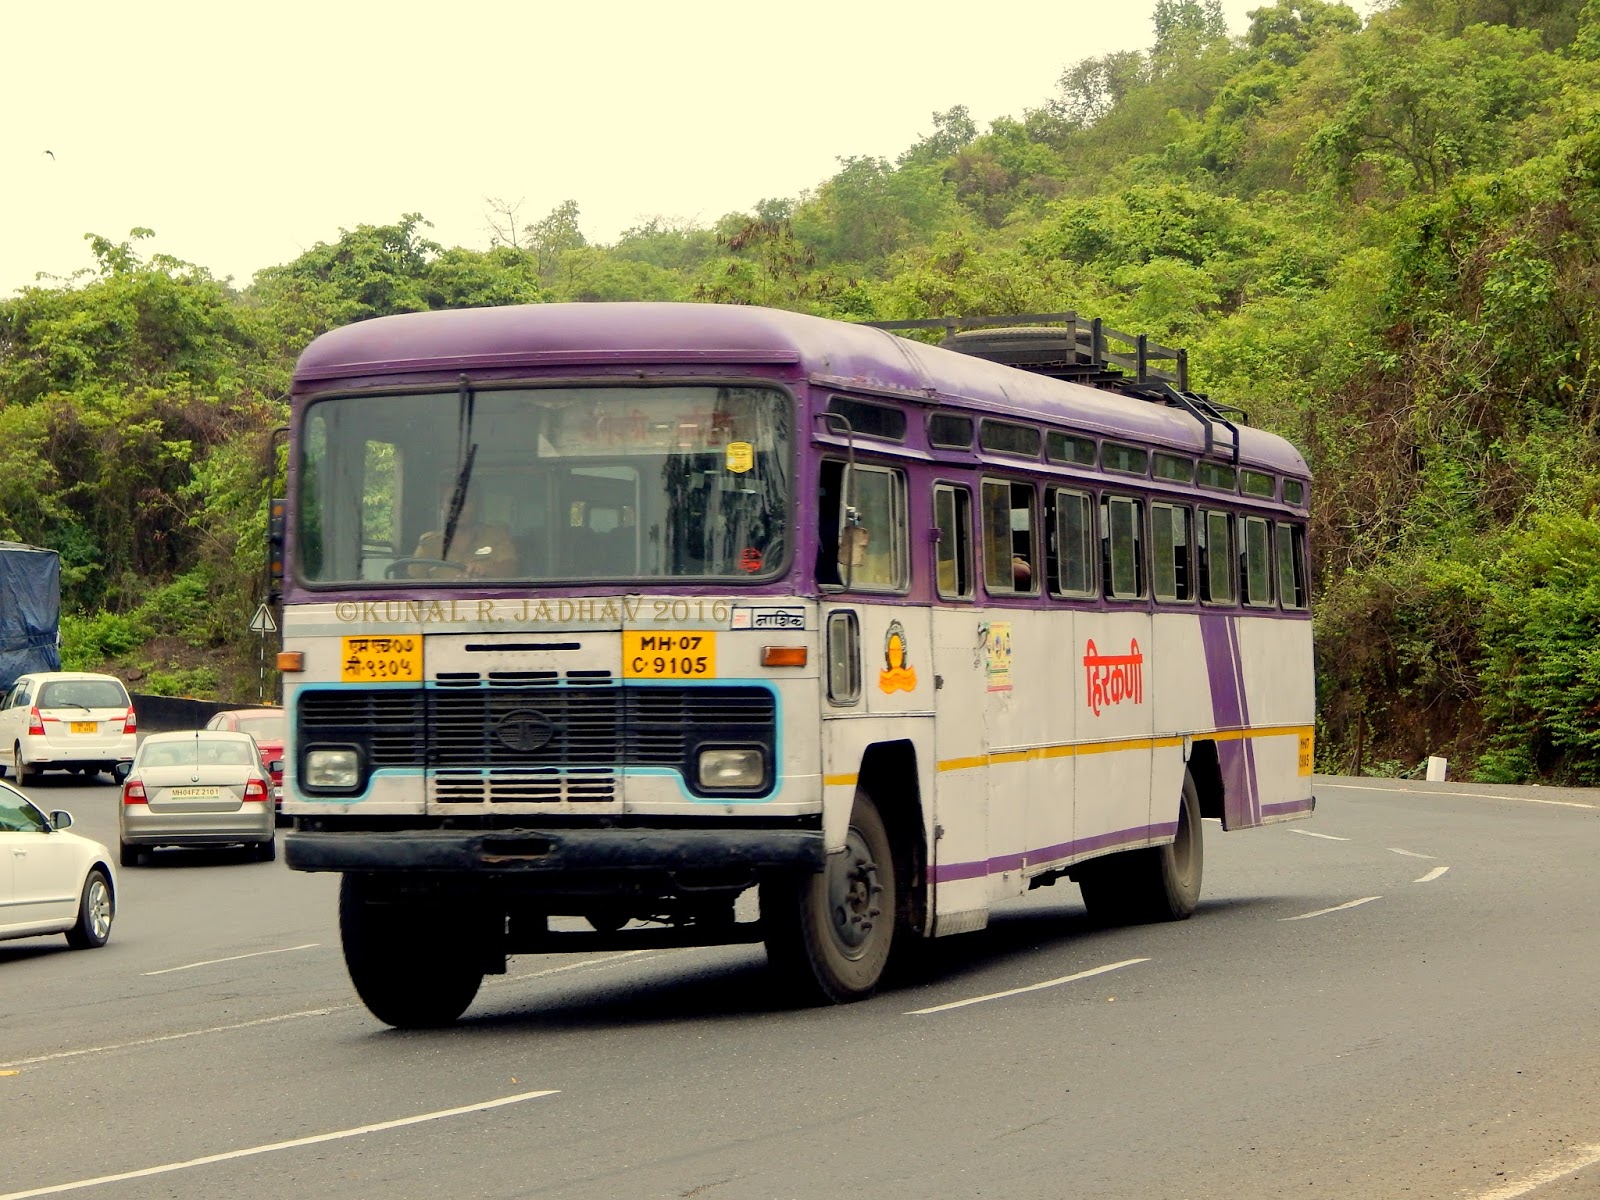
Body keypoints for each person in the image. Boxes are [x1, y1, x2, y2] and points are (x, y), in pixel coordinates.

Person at [411, 493, 517, 578]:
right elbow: (411, 583)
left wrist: (487, 570)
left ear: (477, 506)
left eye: (466, 501)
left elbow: (510, 569)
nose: (459, 507)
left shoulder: (496, 536)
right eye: (452, 501)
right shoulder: (429, 543)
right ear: (442, 506)